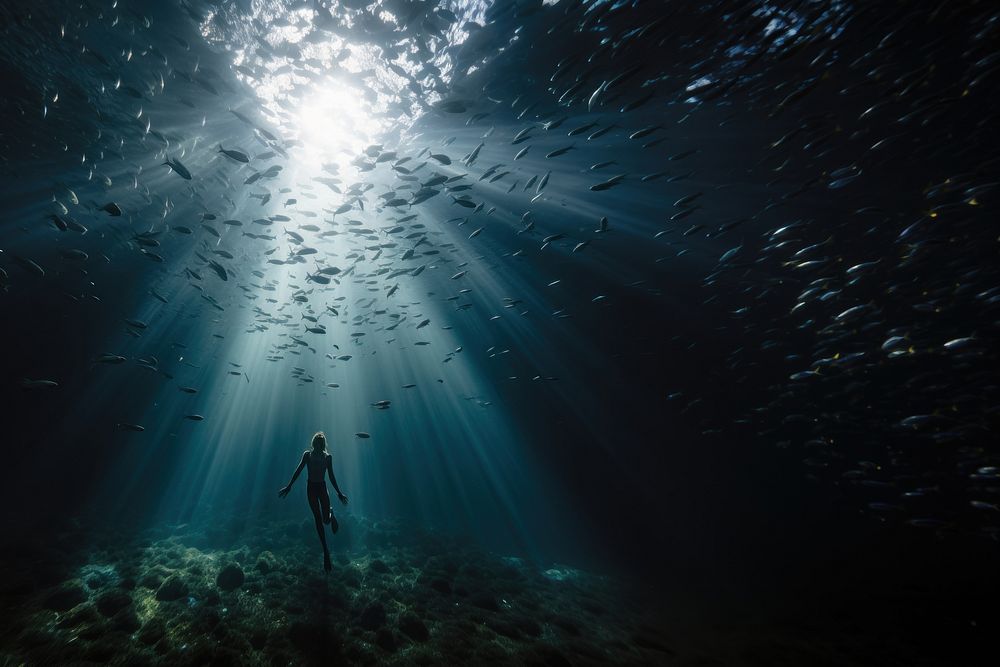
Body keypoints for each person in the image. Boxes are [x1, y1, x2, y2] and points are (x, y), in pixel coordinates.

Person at [279, 431, 348, 571]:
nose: (318, 446)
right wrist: (289, 486)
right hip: (311, 488)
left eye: (320, 444)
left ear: (323, 445)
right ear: (313, 444)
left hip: (322, 488)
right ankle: (326, 552)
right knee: (317, 519)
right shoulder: (307, 455)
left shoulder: (328, 457)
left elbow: (332, 477)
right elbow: (298, 470)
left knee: (326, 521)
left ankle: (331, 513)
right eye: (316, 443)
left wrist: (339, 493)